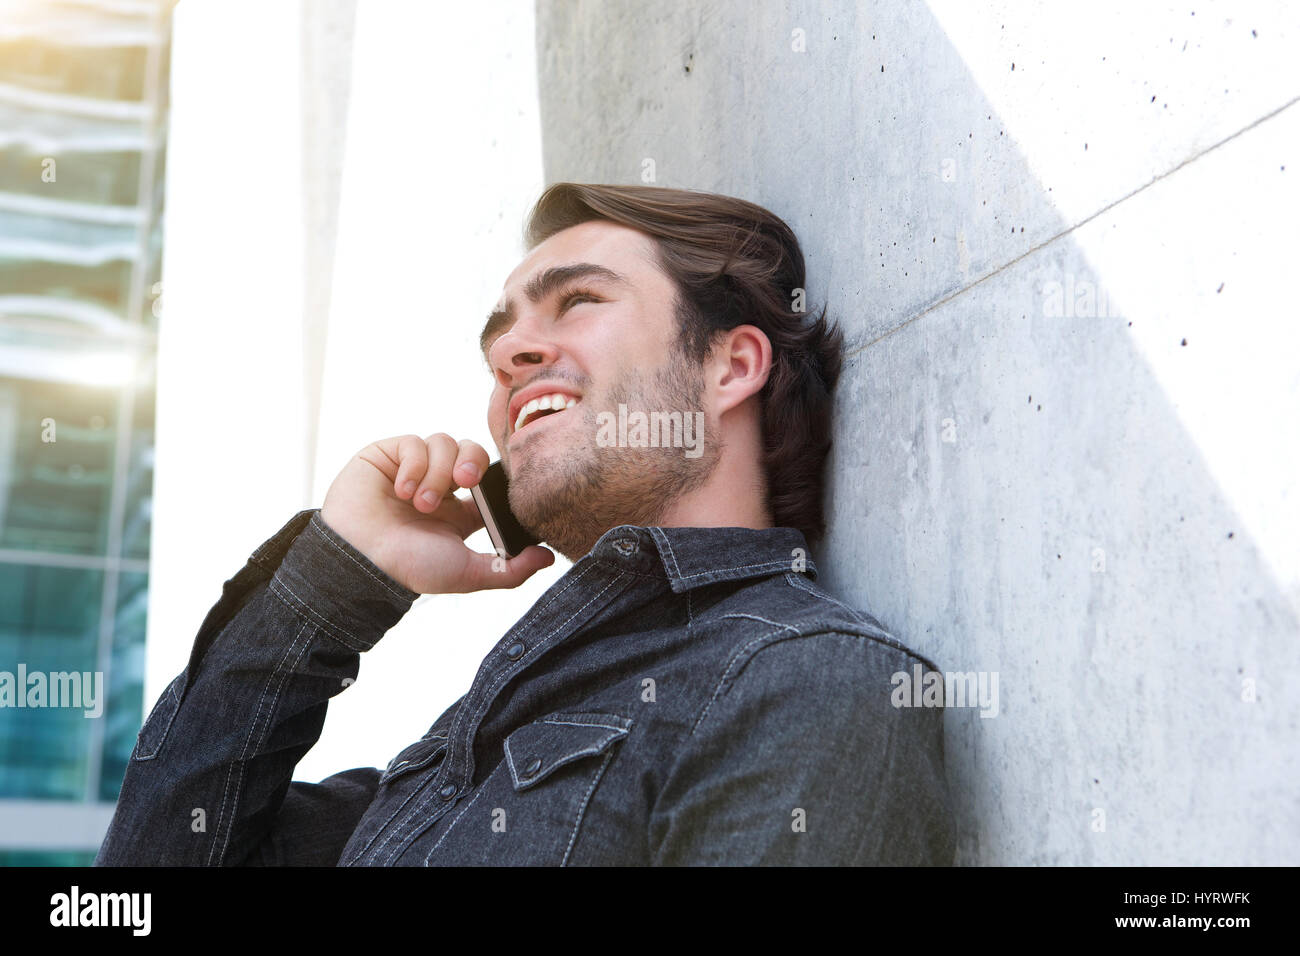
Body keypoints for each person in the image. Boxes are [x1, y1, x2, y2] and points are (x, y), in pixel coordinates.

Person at [95, 183, 956, 866]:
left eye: (578, 300)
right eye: (499, 341)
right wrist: (341, 576)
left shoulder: (801, 682)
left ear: (730, 365)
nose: (510, 354)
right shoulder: (463, 752)